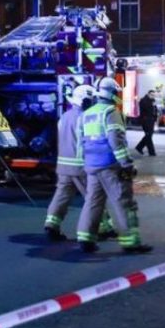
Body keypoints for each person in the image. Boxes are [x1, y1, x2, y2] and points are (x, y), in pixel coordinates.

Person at [76, 77, 151, 253]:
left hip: (92, 166)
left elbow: (80, 142)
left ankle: (85, 239)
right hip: (110, 165)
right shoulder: (111, 112)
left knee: (92, 202)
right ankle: (130, 242)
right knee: (123, 202)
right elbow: (116, 141)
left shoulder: (86, 114)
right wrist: (126, 164)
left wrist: (84, 164)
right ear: (112, 93)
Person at [44, 84, 115, 242]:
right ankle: (103, 228)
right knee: (94, 198)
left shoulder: (64, 117)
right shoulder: (86, 117)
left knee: (61, 196)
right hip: (81, 166)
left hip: (63, 166)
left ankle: (51, 225)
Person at [135, 88, 159, 156]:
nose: (153, 96)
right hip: (146, 120)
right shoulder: (143, 100)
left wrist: (155, 118)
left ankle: (139, 147)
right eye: (152, 95)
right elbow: (145, 110)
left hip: (151, 120)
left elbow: (155, 110)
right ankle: (151, 152)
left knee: (149, 135)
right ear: (148, 94)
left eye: (154, 95)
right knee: (148, 135)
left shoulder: (152, 100)